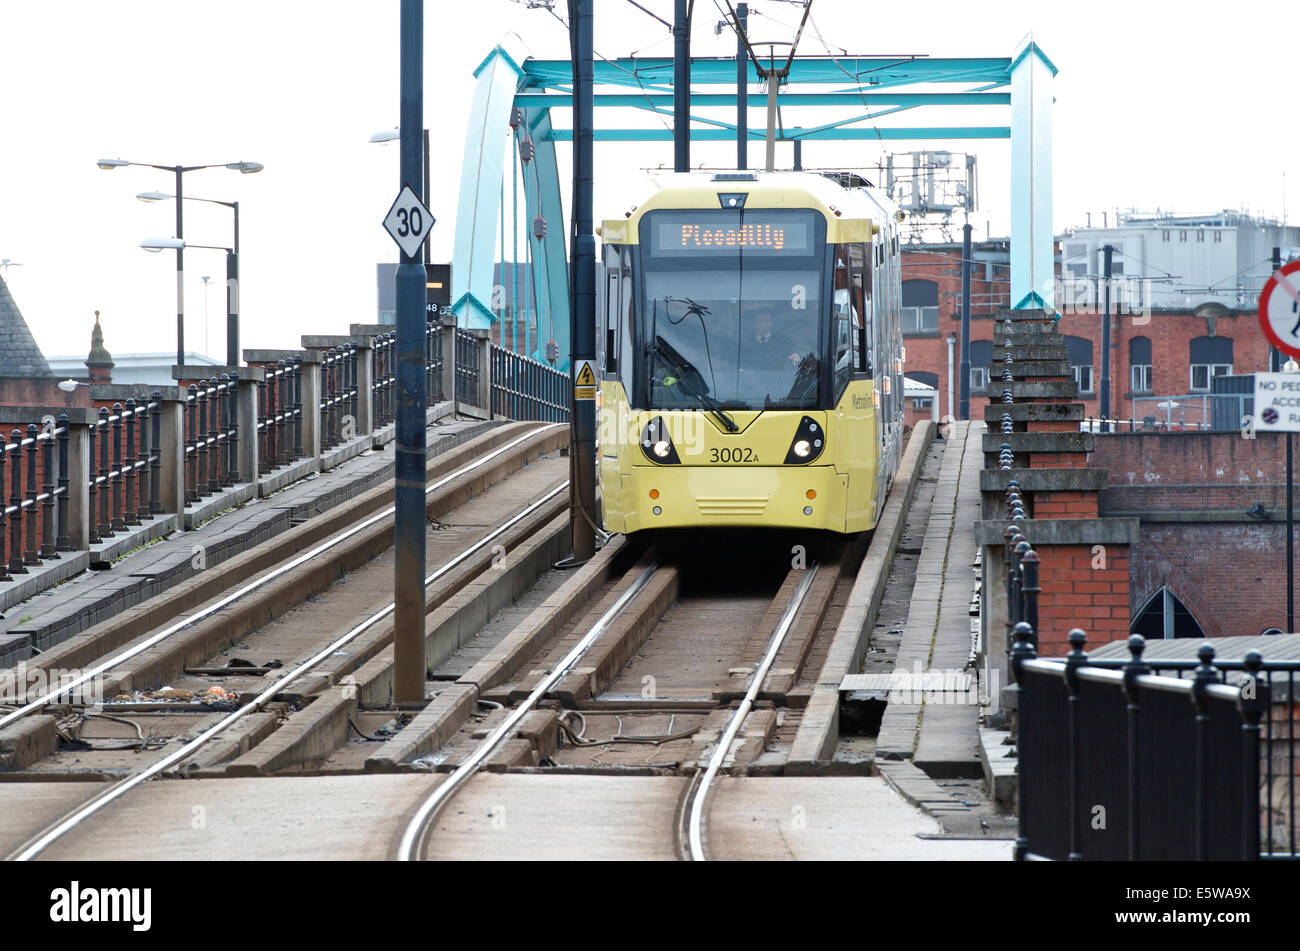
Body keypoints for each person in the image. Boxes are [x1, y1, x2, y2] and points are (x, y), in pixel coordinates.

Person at [742, 308, 802, 372]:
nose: (764, 324)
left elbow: (795, 355)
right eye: (760, 321)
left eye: (767, 321)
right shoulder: (745, 343)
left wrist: (797, 356)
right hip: (751, 379)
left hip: (778, 379)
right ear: (754, 324)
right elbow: (740, 363)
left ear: (772, 323)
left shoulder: (784, 341)